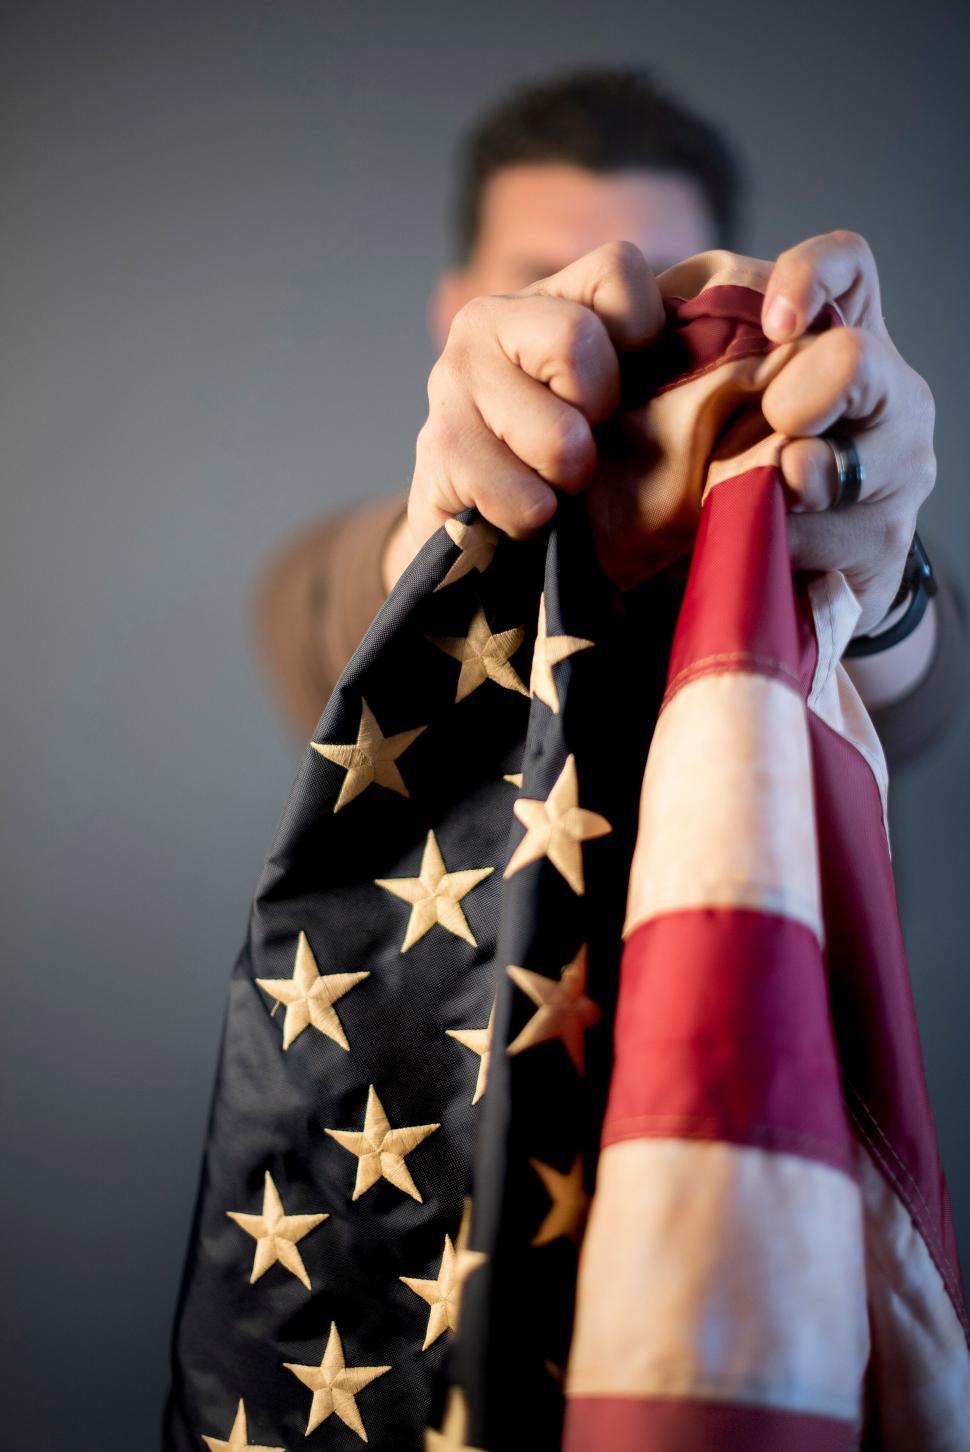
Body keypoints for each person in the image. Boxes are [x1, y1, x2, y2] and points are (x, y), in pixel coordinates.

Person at [249, 66, 967, 770]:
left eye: (668, 294)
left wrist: (877, 581)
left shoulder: (799, 509)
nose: (595, 331)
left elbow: (915, 708)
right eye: (539, 286)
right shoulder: (336, 570)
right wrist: (434, 548)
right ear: (454, 314)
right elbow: (317, 624)